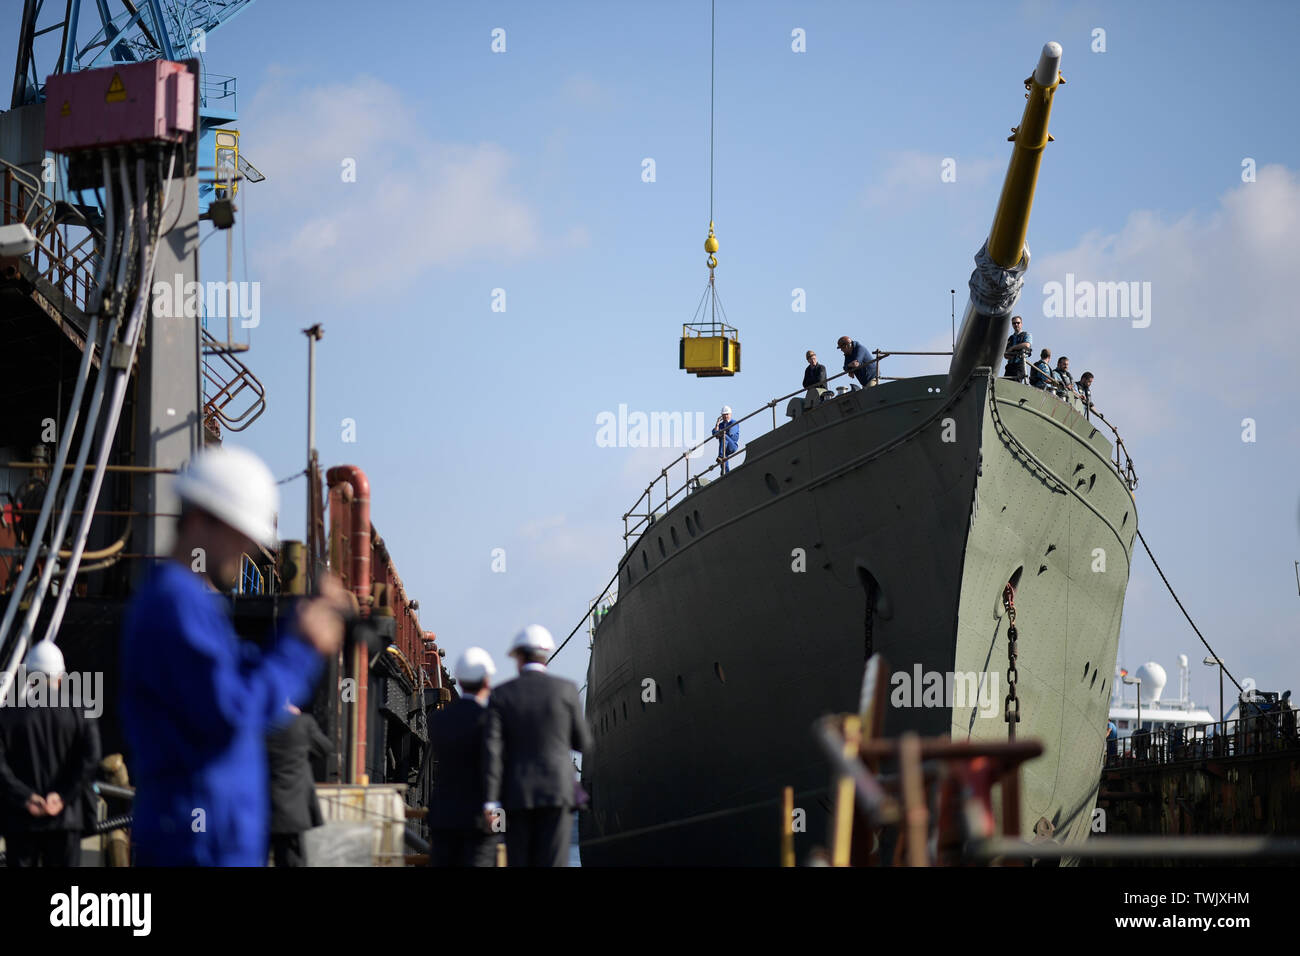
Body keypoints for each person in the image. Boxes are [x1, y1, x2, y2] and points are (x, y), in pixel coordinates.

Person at [120, 446, 348, 866]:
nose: (247, 551)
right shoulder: (175, 604)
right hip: (196, 846)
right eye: (242, 536)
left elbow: (234, 677)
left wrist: (297, 628)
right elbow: (231, 710)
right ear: (204, 519)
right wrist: (301, 649)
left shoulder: (191, 602)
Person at [483, 625, 591, 867]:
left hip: (517, 794)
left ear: (518, 658)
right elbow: (583, 742)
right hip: (558, 793)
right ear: (547, 655)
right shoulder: (567, 690)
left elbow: (492, 753)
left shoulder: (501, 695)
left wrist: (490, 802)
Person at [0, 641, 100, 867]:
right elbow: (90, 759)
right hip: (66, 819)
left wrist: (25, 797)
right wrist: (63, 796)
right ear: (62, 677)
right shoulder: (81, 713)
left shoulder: (6, 716)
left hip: (21, 820)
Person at [426, 647, 499, 867]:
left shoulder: (437, 720)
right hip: (477, 820)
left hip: (443, 817)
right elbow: (493, 768)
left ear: (458, 680)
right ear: (486, 681)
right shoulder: (491, 720)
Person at [266, 702, 332, 867]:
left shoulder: (260, 725)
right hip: (294, 810)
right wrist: (302, 755)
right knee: (292, 860)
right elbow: (325, 747)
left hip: (263, 809)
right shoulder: (302, 723)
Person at [1003, 315, 1032, 381]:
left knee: (1016, 384)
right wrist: (1011, 356)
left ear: (1021, 324)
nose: (1016, 324)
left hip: (1019, 365)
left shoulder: (1027, 335)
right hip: (1010, 366)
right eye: (1014, 323)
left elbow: (1027, 345)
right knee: (1005, 384)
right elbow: (1005, 355)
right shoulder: (1010, 338)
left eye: (1018, 323)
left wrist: (1013, 348)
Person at [712, 407, 740, 474]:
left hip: (732, 445)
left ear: (730, 414)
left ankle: (721, 456)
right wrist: (717, 423)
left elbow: (730, 433)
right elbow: (714, 433)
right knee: (724, 463)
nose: (725, 416)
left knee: (724, 436)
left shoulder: (734, 423)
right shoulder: (721, 425)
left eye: (727, 414)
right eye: (724, 414)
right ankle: (725, 474)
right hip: (724, 447)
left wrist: (720, 433)